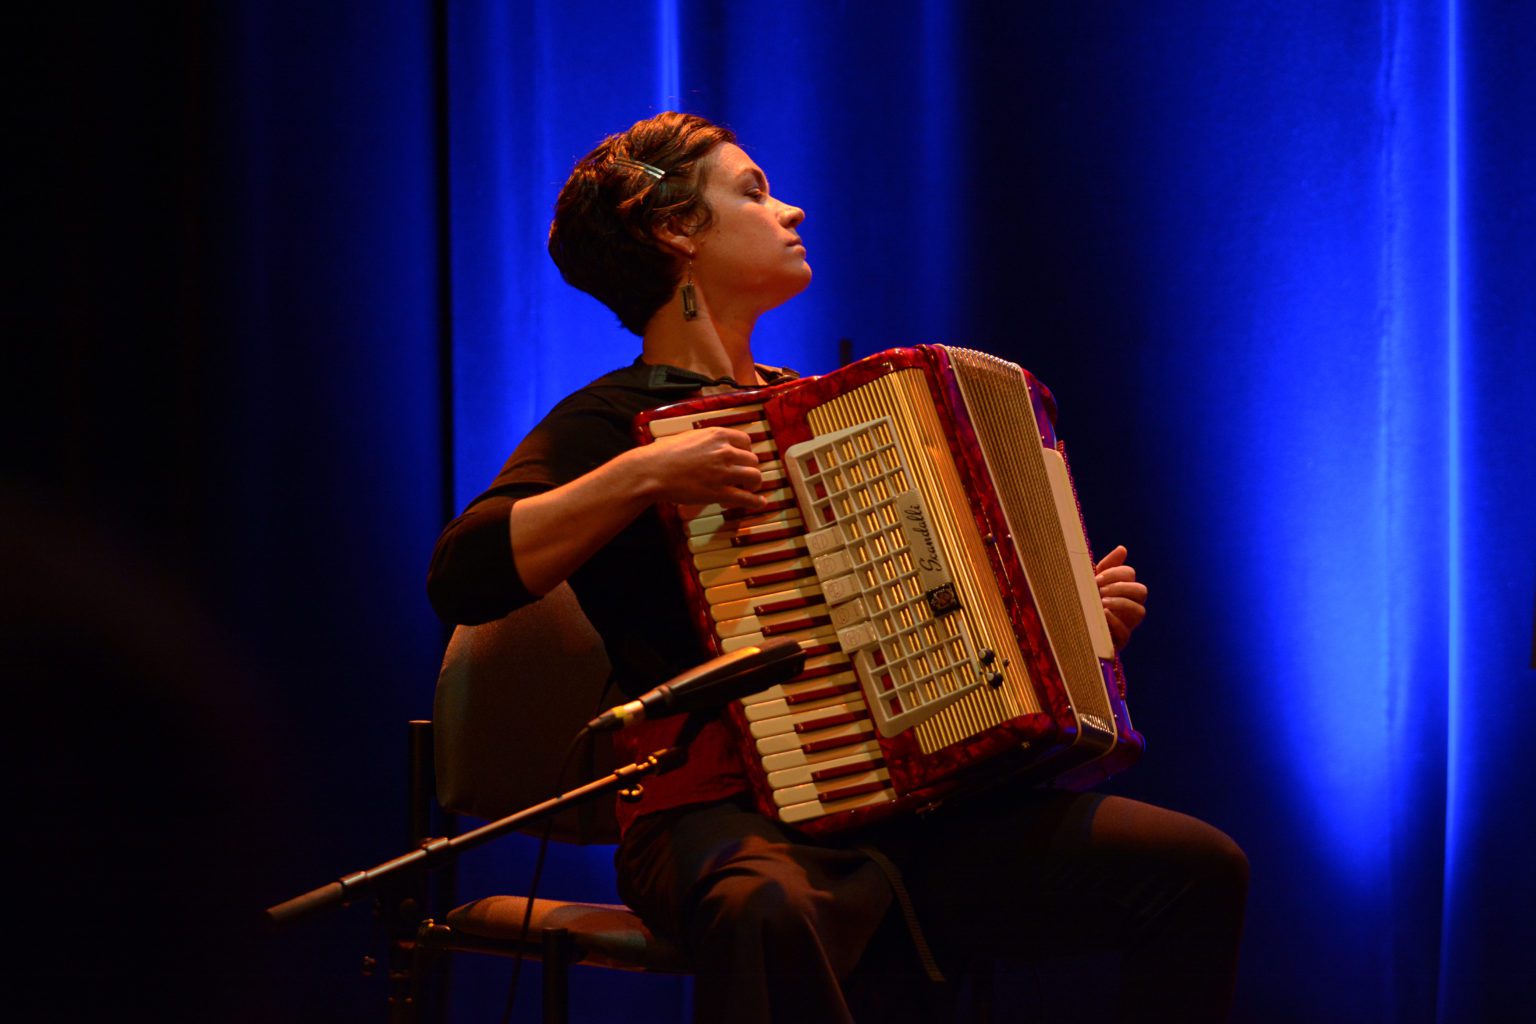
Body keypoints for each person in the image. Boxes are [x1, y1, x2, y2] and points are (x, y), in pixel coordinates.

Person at [428, 111, 1248, 1023]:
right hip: (719, 817)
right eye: (752, 191)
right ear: (674, 231)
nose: (792, 210)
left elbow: (914, 622)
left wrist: (1058, 623)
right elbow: (464, 577)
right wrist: (644, 472)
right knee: (767, 910)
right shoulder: (612, 421)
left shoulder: (822, 415)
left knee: (1194, 870)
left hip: (904, 811)